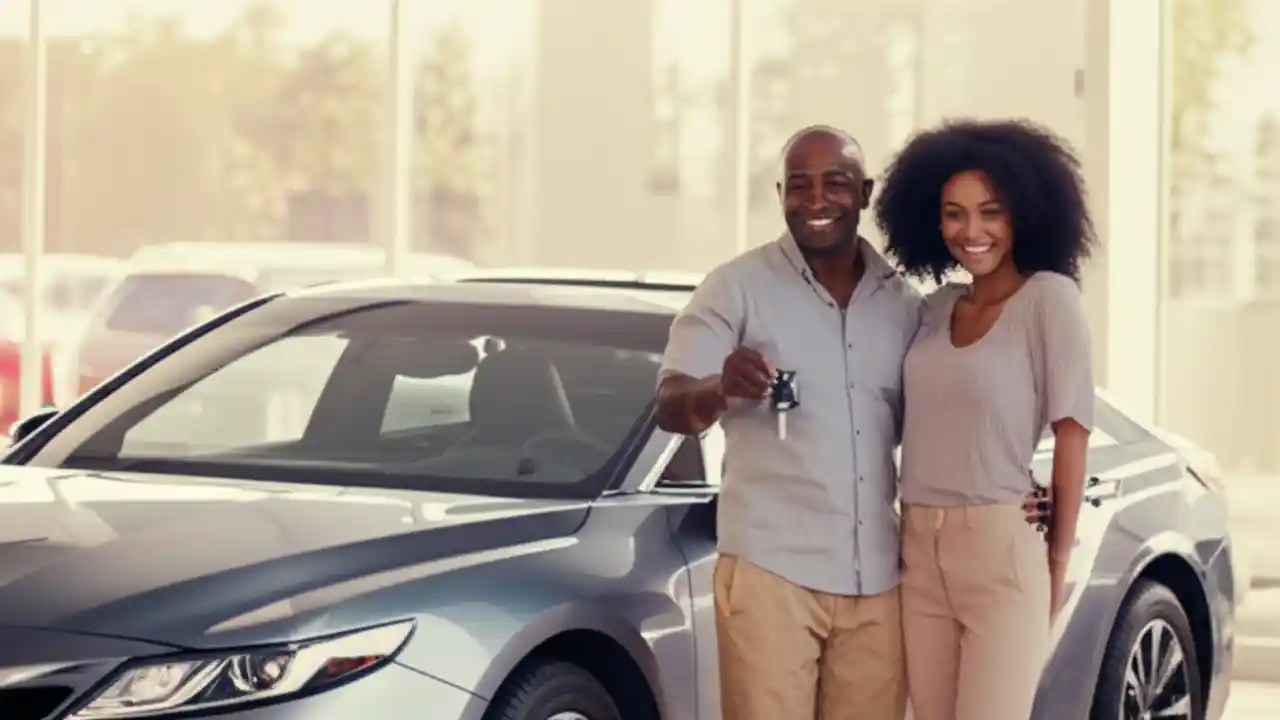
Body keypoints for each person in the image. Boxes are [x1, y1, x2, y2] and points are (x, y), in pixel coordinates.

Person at [654, 125, 1048, 720]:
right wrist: (718, 386)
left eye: (834, 184)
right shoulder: (736, 287)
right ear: (781, 193)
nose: (816, 200)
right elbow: (671, 402)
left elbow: (953, 419)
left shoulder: (905, 307)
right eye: (800, 186)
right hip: (771, 573)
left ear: (863, 193)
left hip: (880, 585)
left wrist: (1021, 483)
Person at [873, 118, 1096, 720]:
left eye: (990, 212)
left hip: (1001, 549)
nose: (971, 231)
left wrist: (1055, 559)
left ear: (1023, 213)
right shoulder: (934, 308)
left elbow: (1073, 435)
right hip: (917, 547)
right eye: (953, 213)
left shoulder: (1049, 300)